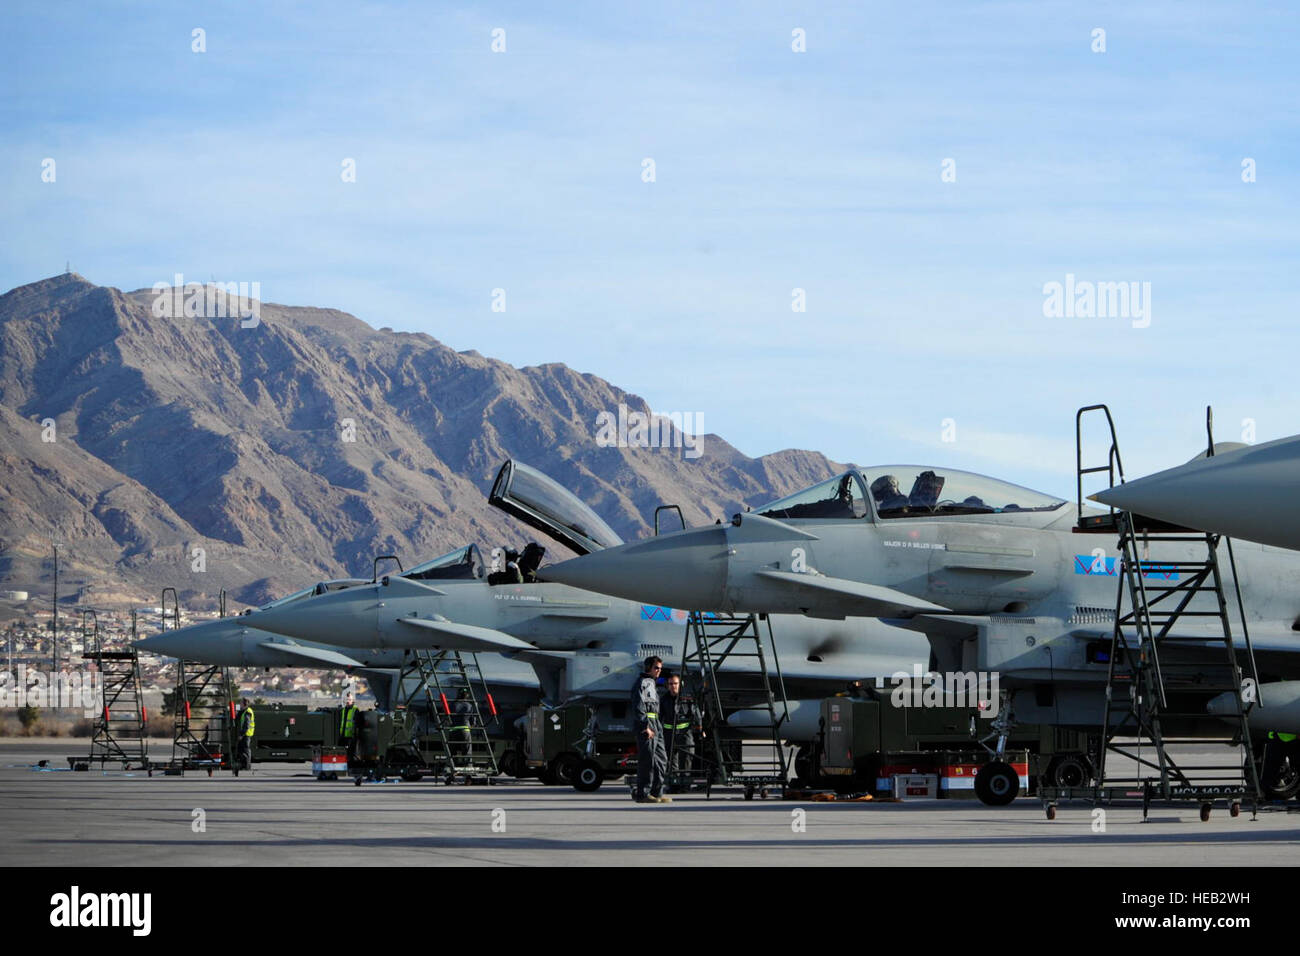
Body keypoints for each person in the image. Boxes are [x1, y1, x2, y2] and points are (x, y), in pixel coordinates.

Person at [631, 656, 669, 803]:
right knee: (647, 760)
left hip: (656, 723)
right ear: (648, 668)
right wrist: (644, 726)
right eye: (656, 668)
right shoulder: (641, 683)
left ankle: (657, 792)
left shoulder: (652, 683)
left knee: (661, 759)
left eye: (660, 668)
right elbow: (638, 706)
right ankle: (643, 794)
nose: (659, 671)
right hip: (647, 723)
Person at [660, 671, 702, 791]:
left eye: (676, 683)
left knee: (686, 758)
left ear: (680, 684)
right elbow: (659, 716)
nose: (673, 686)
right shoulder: (664, 700)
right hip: (669, 735)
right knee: (670, 760)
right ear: (667, 685)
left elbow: (696, 713)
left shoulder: (687, 698)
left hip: (685, 734)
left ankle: (685, 785)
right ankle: (673, 785)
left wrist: (700, 729)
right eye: (671, 684)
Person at [451, 689, 474, 761]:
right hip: (465, 730)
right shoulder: (469, 705)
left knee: (452, 750)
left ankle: (453, 764)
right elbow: (472, 720)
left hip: (454, 730)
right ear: (466, 695)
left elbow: (448, 717)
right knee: (467, 750)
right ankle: (467, 766)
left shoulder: (452, 704)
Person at [338, 692, 360, 766]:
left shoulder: (355, 710)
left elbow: (357, 723)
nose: (348, 701)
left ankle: (351, 766)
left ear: (353, 700)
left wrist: (355, 734)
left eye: (349, 699)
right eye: (347, 699)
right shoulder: (344, 710)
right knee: (342, 752)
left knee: (351, 753)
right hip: (343, 735)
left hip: (351, 736)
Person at [236, 698, 255, 771]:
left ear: (244, 704)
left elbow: (246, 725)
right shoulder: (244, 711)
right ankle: (244, 765)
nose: (239, 704)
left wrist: (241, 735)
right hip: (246, 734)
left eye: (240, 703)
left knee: (246, 751)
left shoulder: (248, 712)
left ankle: (247, 766)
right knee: (242, 750)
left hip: (246, 734)